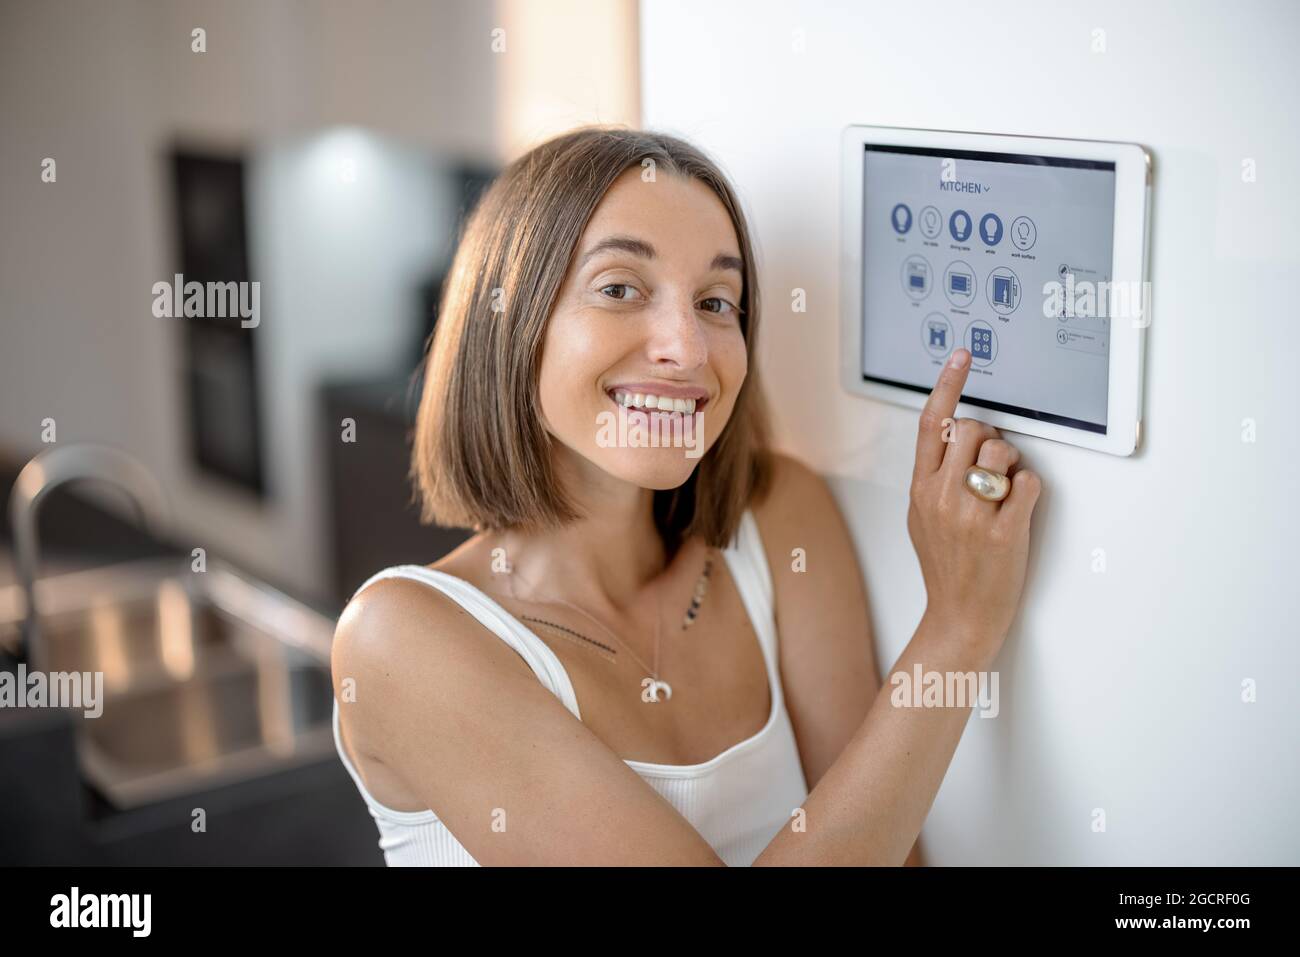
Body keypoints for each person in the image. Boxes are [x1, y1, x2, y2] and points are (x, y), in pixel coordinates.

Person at [330, 126, 1041, 866]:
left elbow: (893, 852)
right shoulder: (398, 638)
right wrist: (957, 628)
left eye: (716, 301)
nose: (688, 347)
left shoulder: (777, 515)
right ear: (509, 320)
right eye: (618, 288)